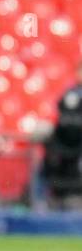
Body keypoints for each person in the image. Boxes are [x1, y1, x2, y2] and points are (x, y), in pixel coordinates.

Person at [43, 62, 82, 201]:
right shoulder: (69, 93)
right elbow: (60, 113)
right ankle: (44, 197)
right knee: (48, 163)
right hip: (65, 142)